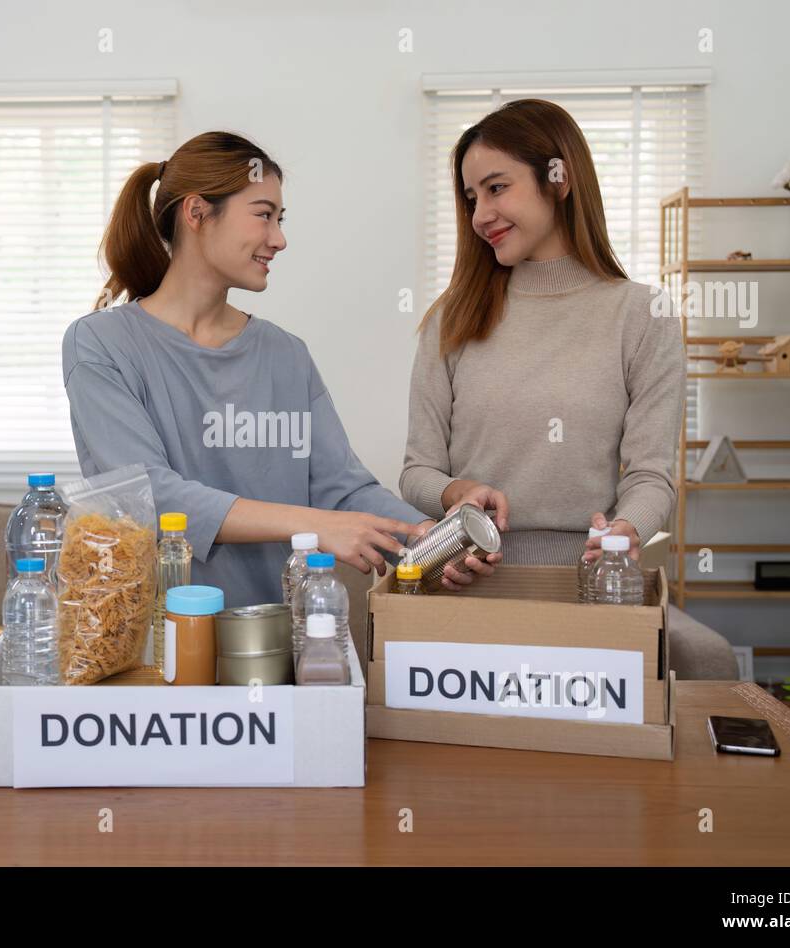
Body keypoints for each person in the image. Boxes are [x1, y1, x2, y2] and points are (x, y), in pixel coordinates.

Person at [63, 131, 433, 608]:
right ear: (196, 213)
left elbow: (340, 487)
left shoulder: (286, 355)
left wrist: (424, 532)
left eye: (279, 220)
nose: (278, 239)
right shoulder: (100, 343)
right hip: (156, 644)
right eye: (263, 215)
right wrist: (312, 524)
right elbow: (147, 495)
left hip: (274, 639)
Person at [400, 99, 685, 590]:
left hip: (586, 583)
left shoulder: (643, 316)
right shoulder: (452, 318)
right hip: (466, 581)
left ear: (558, 180)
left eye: (496, 188)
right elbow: (417, 470)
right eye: (472, 198)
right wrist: (456, 493)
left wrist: (627, 528)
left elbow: (651, 475)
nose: (480, 215)